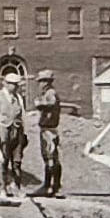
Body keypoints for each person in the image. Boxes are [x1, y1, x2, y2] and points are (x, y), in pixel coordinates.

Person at [0, 71, 29, 196]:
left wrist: (24, 133)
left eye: (17, 85)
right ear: (6, 84)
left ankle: (17, 187)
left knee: (17, 161)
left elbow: (23, 116)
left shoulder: (19, 98)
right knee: (3, 160)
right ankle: (3, 188)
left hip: (17, 132)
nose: (15, 87)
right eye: (13, 84)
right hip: (3, 132)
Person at [31, 69, 63, 197]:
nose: (40, 84)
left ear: (46, 82)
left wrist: (39, 103)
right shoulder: (48, 92)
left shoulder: (50, 93)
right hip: (48, 129)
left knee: (50, 157)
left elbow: (50, 103)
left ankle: (51, 186)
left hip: (49, 129)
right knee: (50, 157)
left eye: (41, 81)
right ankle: (52, 185)